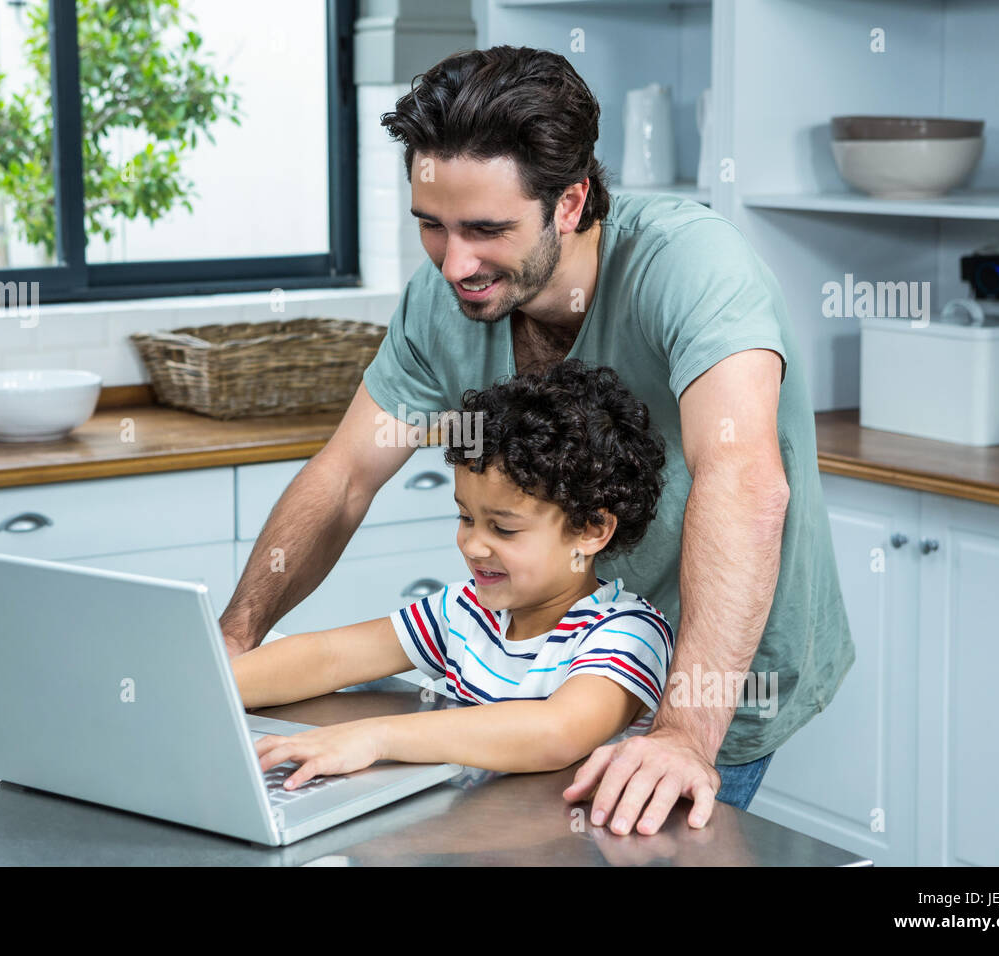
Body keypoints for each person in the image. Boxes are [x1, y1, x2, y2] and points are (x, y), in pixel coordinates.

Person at [219, 45, 855, 836]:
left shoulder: (692, 268)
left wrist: (685, 733)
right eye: (431, 227)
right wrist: (227, 648)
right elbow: (346, 475)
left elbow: (744, 480)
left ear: (570, 200)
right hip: (525, 683)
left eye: (487, 229)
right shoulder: (443, 298)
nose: (456, 265)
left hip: (704, 678)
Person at [234, 361, 675, 785]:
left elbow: (556, 732)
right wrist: (207, 689)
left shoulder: (628, 632)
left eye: (502, 527)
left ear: (592, 530)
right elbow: (331, 655)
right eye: (466, 518)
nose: (472, 544)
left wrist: (374, 736)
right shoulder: (464, 610)